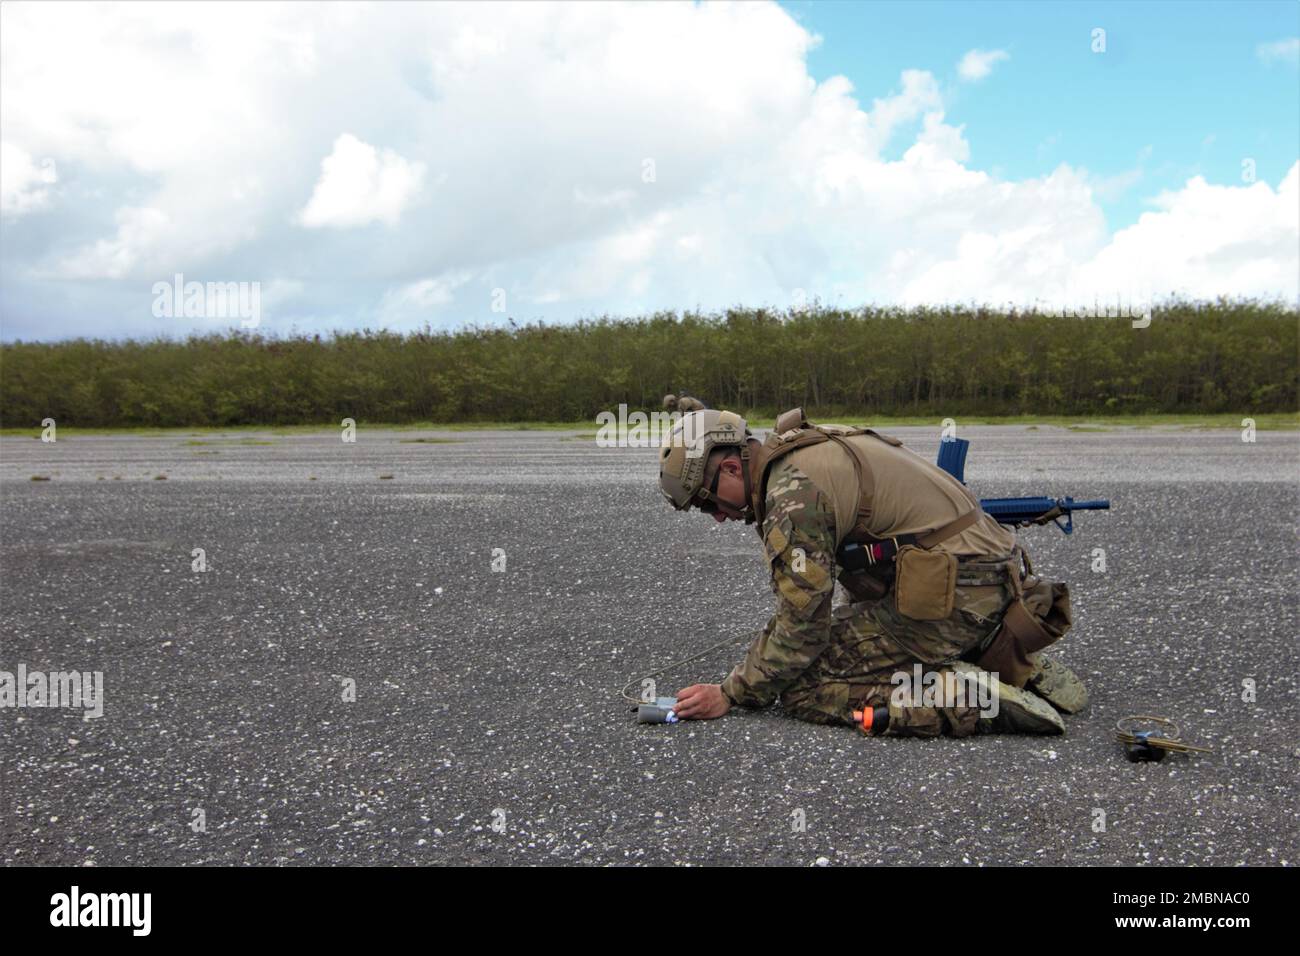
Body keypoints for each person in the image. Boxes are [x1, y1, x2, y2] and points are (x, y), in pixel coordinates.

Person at [657, 408, 1088, 737]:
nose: (716, 517)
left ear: (732, 468)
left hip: (960, 597)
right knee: (845, 627)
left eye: (708, 502)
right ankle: (992, 648)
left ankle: (965, 699)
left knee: (802, 687)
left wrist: (731, 692)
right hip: (989, 582)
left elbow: (803, 626)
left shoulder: (791, 498)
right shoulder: (803, 447)